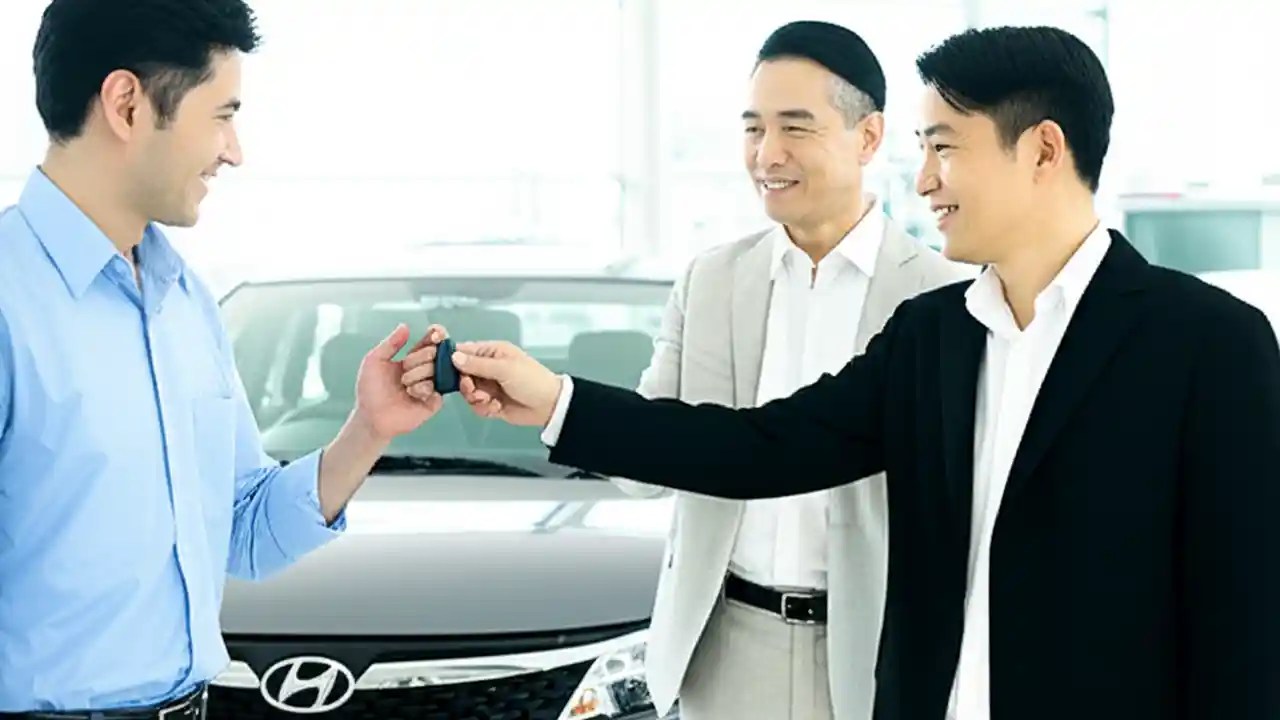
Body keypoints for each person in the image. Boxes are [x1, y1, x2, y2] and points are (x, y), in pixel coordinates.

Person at [409, 25, 1280, 720]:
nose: (924, 179)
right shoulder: (934, 336)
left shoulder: (1209, 343)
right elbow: (762, 448)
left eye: (945, 147)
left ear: (1044, 150)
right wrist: (556, 401)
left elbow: (1244, 625)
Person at [0, 0, 449, 716]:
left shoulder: (185, 301)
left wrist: (368, 430)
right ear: (126, 104)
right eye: (221, 115)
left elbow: (244, 533)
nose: (233, 151)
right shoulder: (9, 300)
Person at [613, 20, 967, 720]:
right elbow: (643, 468)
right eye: (753, 128)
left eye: (795, 128)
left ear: (868, 137)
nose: (766, 153)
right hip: (724, 651)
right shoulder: (711, 281)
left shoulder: (942, 296)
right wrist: (552, 404)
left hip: (876, 655)